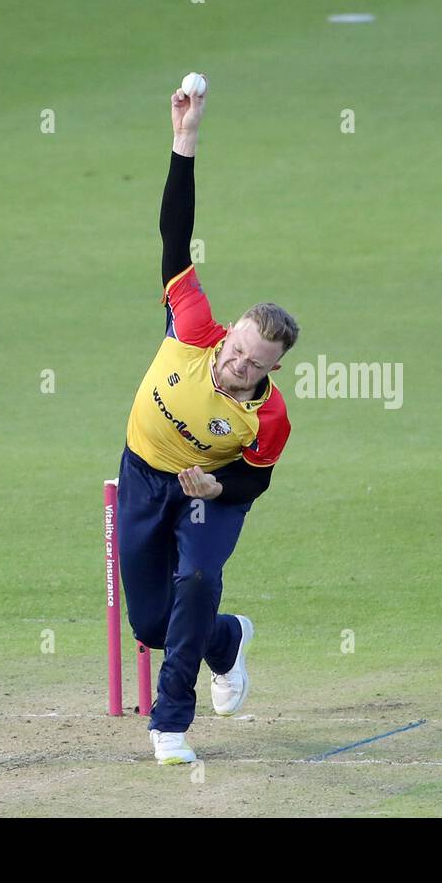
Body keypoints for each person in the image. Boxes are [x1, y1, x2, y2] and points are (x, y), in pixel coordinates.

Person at [118, 77, 299, 764]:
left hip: (209, 495)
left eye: (255, 365)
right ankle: (227, 641)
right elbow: (174, 234)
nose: (236, 368)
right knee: (155, 623)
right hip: (141, 472)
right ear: (227, 337)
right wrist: (184, 141)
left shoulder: (267, 417)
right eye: (237, 352)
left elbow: (256, 484)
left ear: (272, 370)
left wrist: (218, 491)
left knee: (194, 582)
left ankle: (170, 726)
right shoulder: (193, 326)